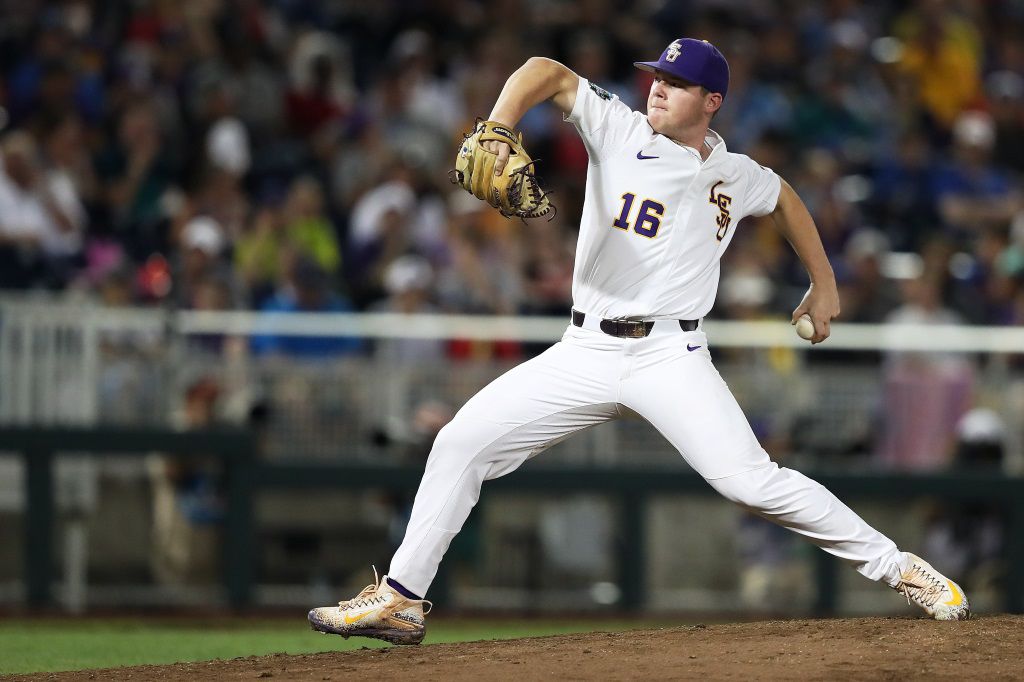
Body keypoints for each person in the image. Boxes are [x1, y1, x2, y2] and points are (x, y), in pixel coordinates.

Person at [309, 38, 971, 645]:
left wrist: (822, 283)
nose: (657, 87)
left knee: (751, 484)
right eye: (657, 75)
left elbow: (786, 199)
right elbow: (545, 71)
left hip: (671, 356)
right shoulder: (619, 128)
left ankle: (904, 570)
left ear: (711, 102)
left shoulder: (734, 173)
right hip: (584, 351)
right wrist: (501, 124)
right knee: (460, 442)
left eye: (676, 83)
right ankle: (401, 597)